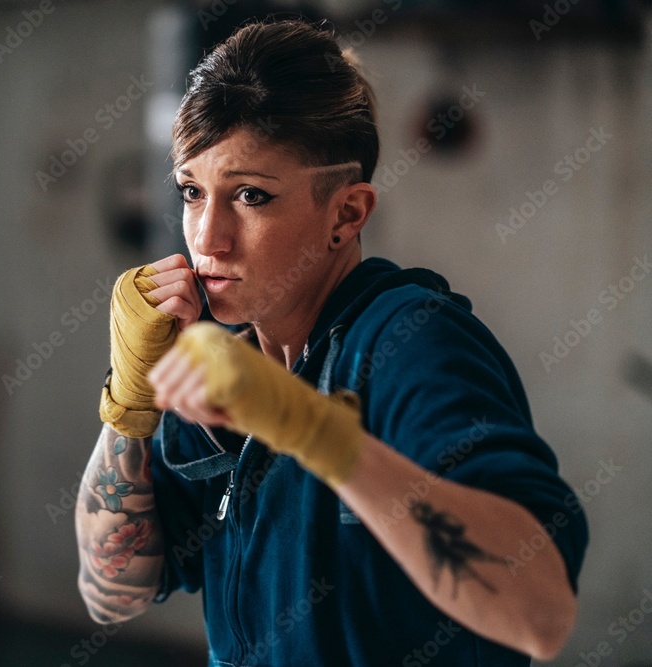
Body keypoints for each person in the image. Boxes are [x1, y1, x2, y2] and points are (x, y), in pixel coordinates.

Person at [74, 18, 587, 666]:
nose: (206, 238)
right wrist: (128, 400)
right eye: (192, 192)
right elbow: (112, 589)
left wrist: (316, 432)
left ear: (346, 213)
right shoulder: (231, 371)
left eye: (251, 195)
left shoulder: (411, 344)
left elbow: (543, 615)